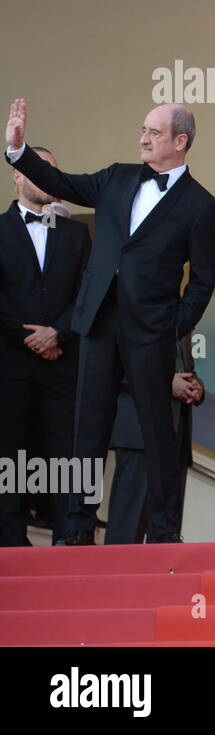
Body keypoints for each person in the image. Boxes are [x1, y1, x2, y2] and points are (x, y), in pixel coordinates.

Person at [5, 98, 215, 544]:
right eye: (143, 129)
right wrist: (19, 150)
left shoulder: (201, 204)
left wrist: (175, 324)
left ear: (181, 142)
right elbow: (58, 180)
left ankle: (163, 531)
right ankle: (78, 527)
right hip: (98, 323)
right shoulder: (117, 177)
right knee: (88, 429)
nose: (143, 138)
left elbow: (202, 279)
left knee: (157, 431)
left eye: (154, 132)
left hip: (151, 330)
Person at [0, 147, 90, 546]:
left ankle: (67, 536)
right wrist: (28, 338)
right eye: (34, 170)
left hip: (62, 361)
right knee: (9, 453)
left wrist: (58, 333)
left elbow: (88, 293)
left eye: (51, 171)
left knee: (66, 453)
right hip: (9, 363)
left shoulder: (77, 233)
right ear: (16, 177)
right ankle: (10, 540)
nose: (43, 177)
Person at [105, 336, 201, 545]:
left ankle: (161, 578)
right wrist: (167, 381)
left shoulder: (179, 316)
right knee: (127, 529)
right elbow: (118, 367)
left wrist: (194, 385)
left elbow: (181, 366)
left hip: (176, 434)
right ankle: (118, 578)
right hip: (139, 433)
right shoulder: (129, 310)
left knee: (166, 534)